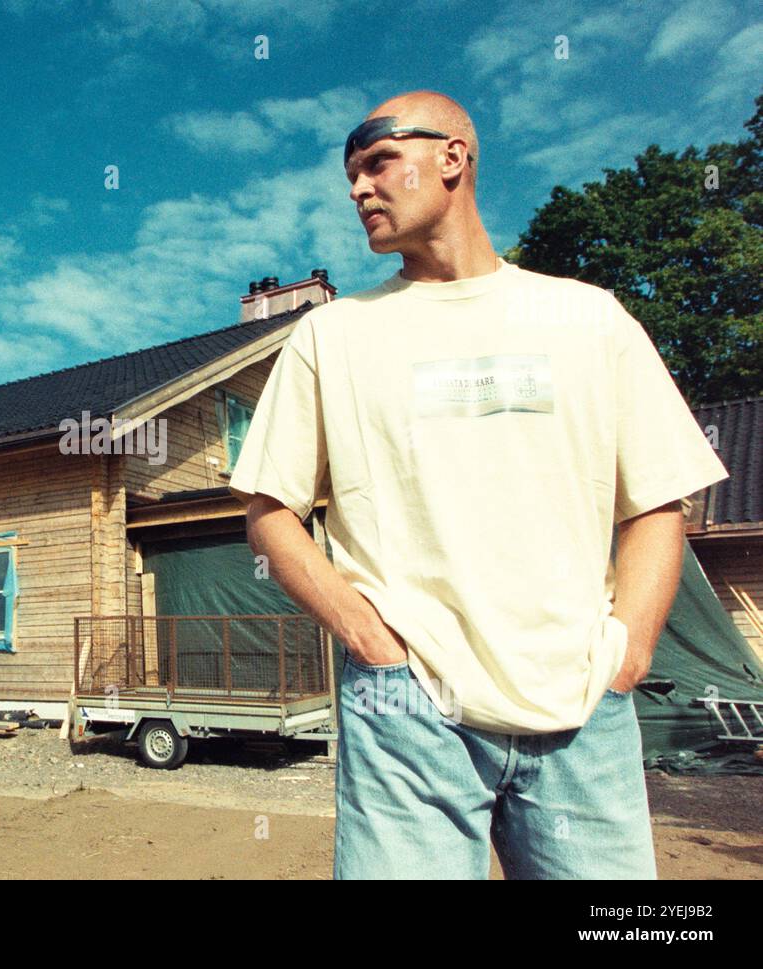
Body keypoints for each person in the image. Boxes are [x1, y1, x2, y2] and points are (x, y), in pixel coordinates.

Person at [227, 90, 729, 879]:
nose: (358, 188)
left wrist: (624, 654)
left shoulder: (590, 320)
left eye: (378, 162)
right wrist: (371, 642)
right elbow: (269, 511)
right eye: (350, 175)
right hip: (407, 709)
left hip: (580, 706)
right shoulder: (333, 335)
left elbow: (657, 502)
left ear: (453, 157)